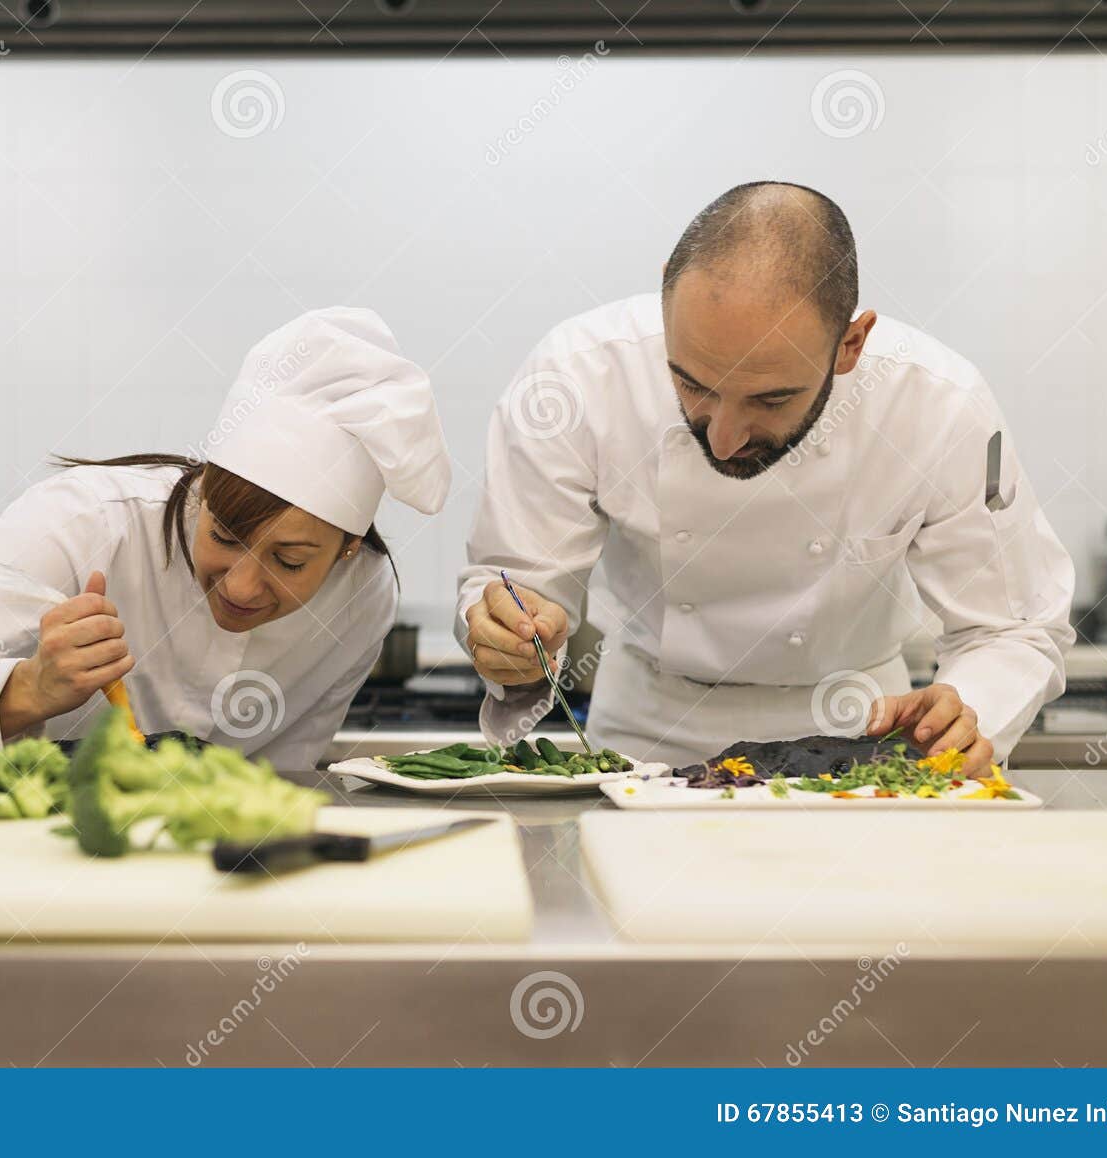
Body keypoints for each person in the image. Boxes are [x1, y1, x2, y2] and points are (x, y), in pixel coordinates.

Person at [457, 181, 1074, 769]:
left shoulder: (939, 405)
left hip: (860, 743)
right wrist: (510, 635)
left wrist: (969, 712)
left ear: (851, 346)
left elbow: (1013, 628)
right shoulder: (574, 378)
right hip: (644, 746)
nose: (724, 440)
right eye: (692, 384)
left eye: (771, 400)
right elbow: (513, 585)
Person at [0, 307, 449, 771]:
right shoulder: (83, 524)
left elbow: (281, 782)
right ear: (203, 490)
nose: (241, 586)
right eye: (225, 536)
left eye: (289, 560)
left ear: (346, 549)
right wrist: (28, 690)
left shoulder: (362, 596)